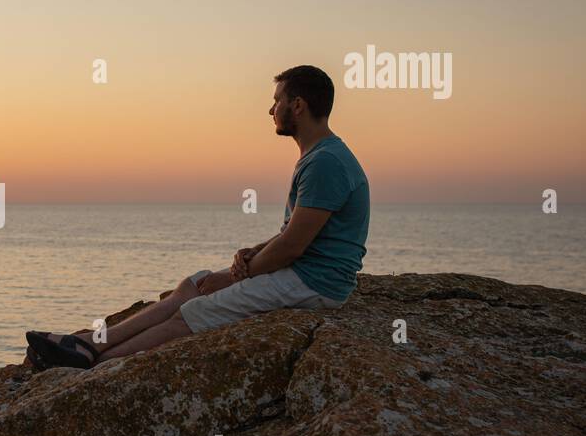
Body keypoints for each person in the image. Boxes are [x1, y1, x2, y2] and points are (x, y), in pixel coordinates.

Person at [27, 65, 370, 370]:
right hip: (301, 270)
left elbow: (293, 246)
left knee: (192, 313)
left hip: (315, 283)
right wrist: (254, 251)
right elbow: (295, 232)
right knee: (194, 286)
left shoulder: (325, 163)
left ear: (298, 106)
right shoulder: (317, 156)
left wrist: (240, 276)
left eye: (277, 100)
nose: (271, 110)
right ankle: (91, 343)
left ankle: (92, 368)